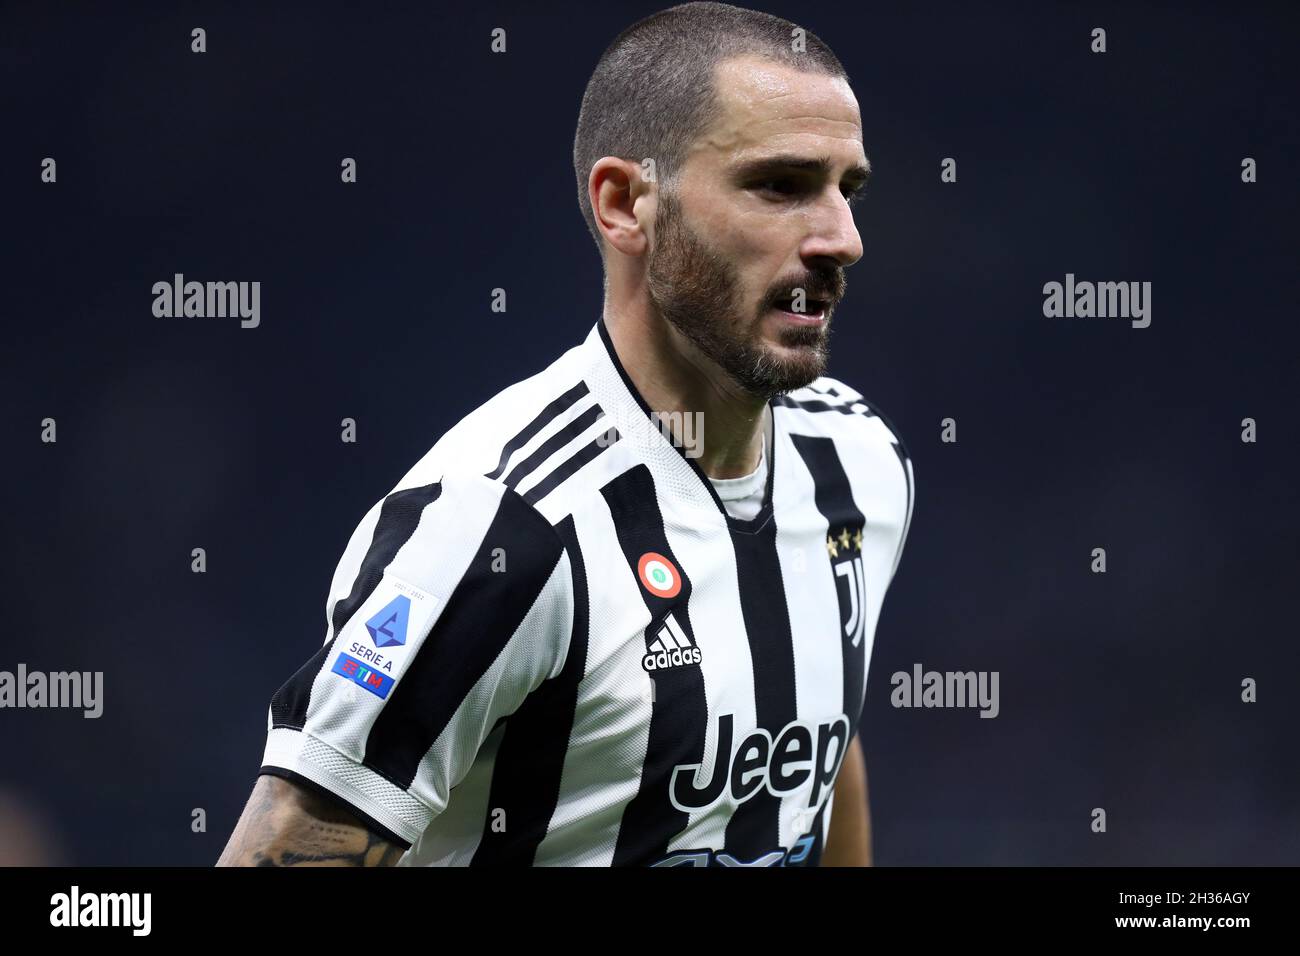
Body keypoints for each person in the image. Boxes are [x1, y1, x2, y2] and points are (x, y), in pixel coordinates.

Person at [219, 0, 913, 867]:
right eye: (780, 185)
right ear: (626, 205)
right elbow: (287, 848)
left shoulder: (860, 463)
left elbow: (826, 743)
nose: (842, 239)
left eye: (848, 190)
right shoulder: (504, 528)